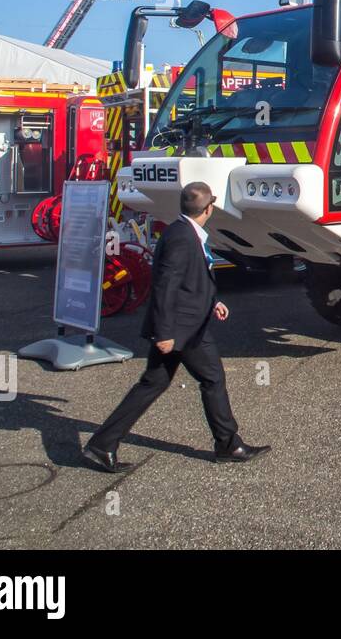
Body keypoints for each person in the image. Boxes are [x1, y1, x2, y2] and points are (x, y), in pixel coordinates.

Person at [84, 182, 270, 473]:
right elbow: (166, 285)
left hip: (181, 324)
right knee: (213, 379)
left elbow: (186, 281)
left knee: (152, 384)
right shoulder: (183, 237)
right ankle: (228, 444)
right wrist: (165, 332)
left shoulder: (179, 230)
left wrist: (211, 303)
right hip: (183, 330)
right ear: (208, 208)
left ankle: (102, 444)